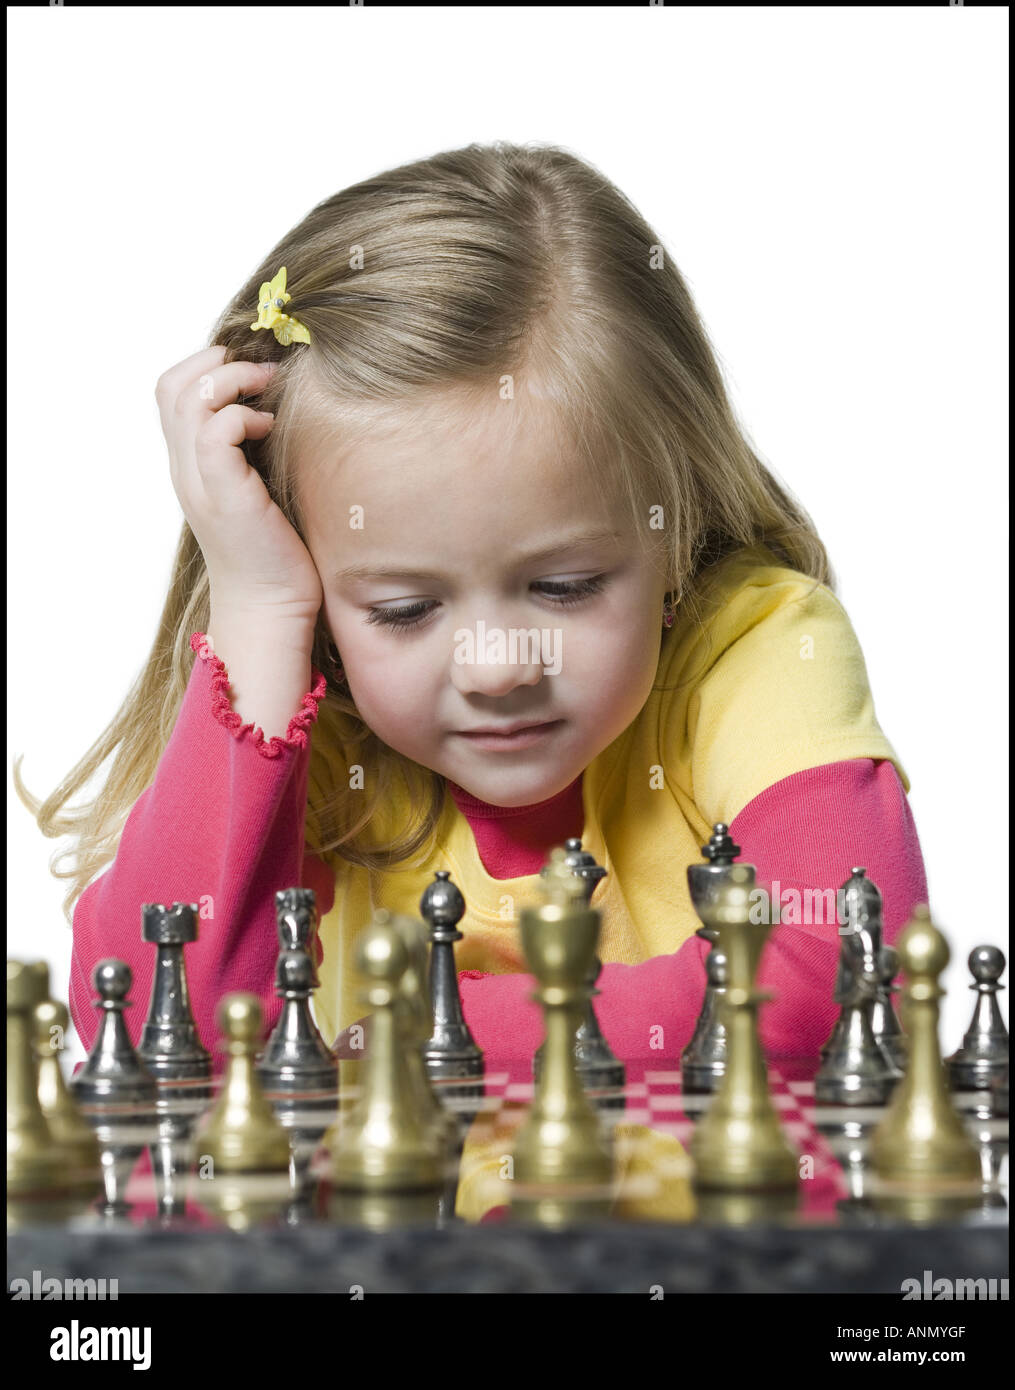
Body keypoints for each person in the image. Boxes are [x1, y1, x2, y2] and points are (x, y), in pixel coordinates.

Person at [16, 141, 927, 1072]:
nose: (495, 666)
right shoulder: (315, 716)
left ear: (675, 528)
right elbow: (165, 1040)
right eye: (406, 609)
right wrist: (256, 612)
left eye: (565, 587)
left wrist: (433, 1040)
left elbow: (844, 977)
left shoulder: (754, 646)